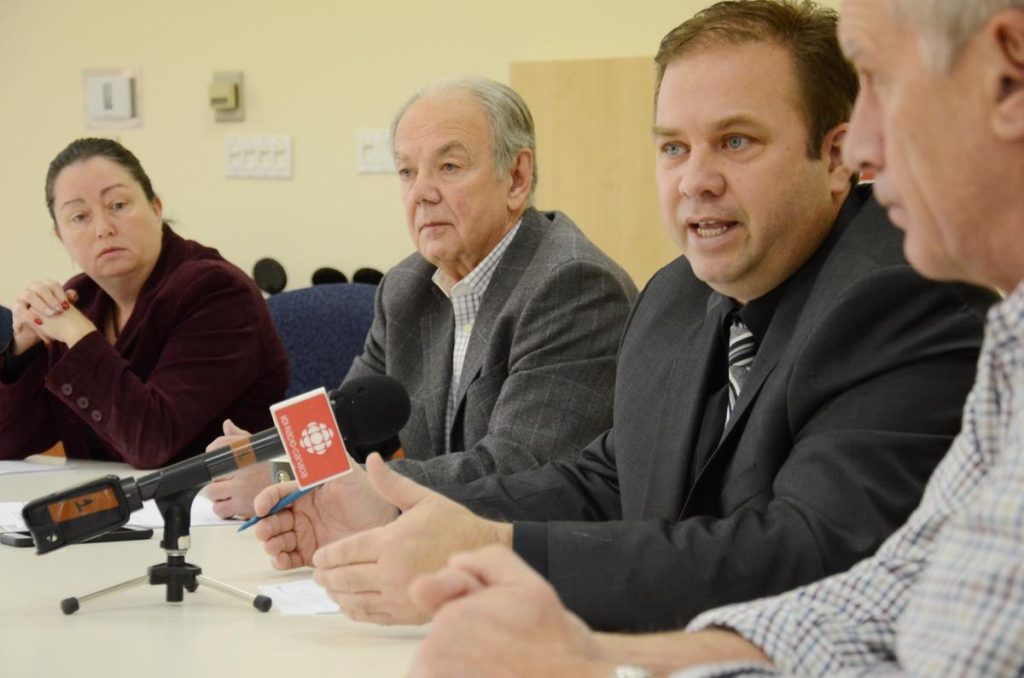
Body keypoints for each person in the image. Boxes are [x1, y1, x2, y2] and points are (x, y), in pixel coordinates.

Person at [252, 0, 997, 632]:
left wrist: (497, 553)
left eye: (736, 141)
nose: (696, 181)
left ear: (836, 158)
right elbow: (611, 475)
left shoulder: (902, 288)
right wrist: (393, 511)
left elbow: (809, 553)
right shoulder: (677, 294)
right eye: (674, 147)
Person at [205, 77, 637, 516]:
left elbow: (515, 473)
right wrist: (269, 462)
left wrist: (295, 479)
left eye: (448, 167)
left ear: (516, 178)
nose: (421, 193)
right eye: (407, 172)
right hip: (432, 552)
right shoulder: (406, 286)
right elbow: (346, 424)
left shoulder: (574, 287)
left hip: (531, 563)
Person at [0, 138, 288, 468]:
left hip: (225, 509)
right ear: (60, 237)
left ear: (156, 208)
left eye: (118, 205)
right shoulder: (82, 298)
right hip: (110, 510)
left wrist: (79, 336)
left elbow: (153, 442)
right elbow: (7, 444)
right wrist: (21, 353)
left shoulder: (217, 292)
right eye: (79, 217)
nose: (104, 229)